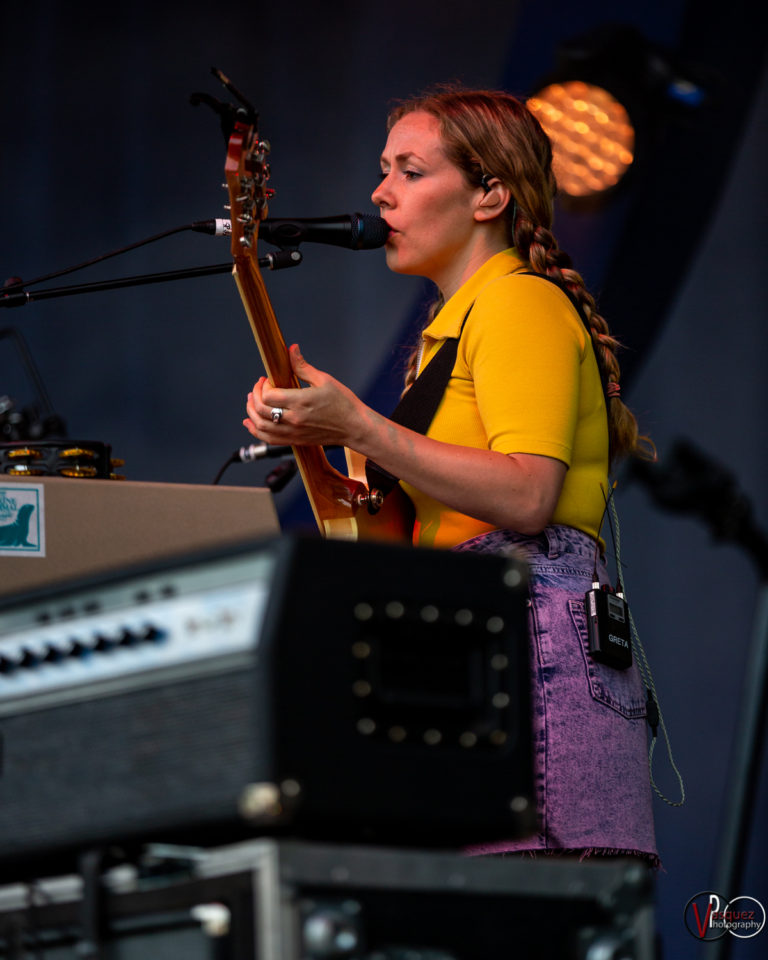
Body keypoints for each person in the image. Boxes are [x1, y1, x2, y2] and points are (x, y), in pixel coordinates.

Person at [243, 88, 658, 865]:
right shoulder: (447, 338)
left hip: (531, 640)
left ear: (489, 195)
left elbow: (527, 495)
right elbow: (400, 529)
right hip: (478, 647)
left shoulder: (517, 303)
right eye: (382, 169)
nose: (379, 192)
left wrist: (359, 426)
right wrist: (316, 439)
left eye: (410, 170)